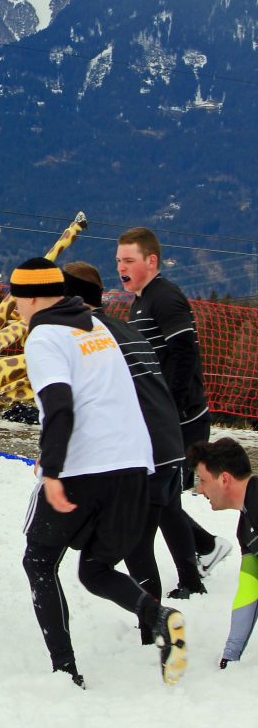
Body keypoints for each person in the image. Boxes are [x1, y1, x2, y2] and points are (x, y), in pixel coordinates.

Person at [11, 256, 187, 687]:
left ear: (33, 297)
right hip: (132, 467)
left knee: (38, 561)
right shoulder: (98, 327)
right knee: (95, 569)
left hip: (84, 467)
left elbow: (59, 404)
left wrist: (52, 470)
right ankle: (159, 617)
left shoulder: (45, 336)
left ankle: (64, 672)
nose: (15, 309)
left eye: (16, 300)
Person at [63, 261, 204, 602]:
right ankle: (191, 582)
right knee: (167, 508)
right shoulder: (124, 328)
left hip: (144, 449)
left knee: (136, 541)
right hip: (170, 439)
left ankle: (154, 625)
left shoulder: (87, 334)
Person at [118, 226, 232, 579]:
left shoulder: (165, 297)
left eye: (129, 260)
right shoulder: (140, 302)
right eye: (118, 260)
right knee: (162, 496)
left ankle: (195, 571)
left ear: (151, 261)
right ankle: (207, 549)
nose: (121, 268)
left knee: (162, 495)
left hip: (182, 418)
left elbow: (185, 355)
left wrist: (171, 406)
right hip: (163, 416)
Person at [186, 437, 258, 667]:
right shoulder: (246, 527)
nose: (200, 489)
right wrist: (231, 653)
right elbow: (250, 588)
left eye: (204, 480)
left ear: (224, 479)